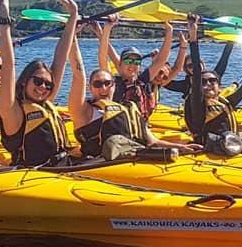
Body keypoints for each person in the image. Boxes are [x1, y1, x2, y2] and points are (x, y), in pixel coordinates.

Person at [67, 33, 201, 158]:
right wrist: (95, 32)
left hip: (130, 153)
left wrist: (182, 148)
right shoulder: (84, 111)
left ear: (113, 85)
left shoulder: (130, 110)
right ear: (90, 87)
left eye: (107, 83)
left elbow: (153, 141)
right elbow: (81, 73)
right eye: (98, 84)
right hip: (96, 162)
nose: (103, 88)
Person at [0, 0, 77, 167]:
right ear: (25, 81)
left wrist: (72, 16)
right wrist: (4, 18)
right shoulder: (13, 111)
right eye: (38, 81)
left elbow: (61, 57)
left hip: (63, 166)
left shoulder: (46, 101)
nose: (43, 87)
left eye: (48, 84)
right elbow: (8, 64)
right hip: (35, 173)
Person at [184, 16, 242, 148]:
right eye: (203, 82)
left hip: (231, 146)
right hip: (209, 148)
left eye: (212, 81)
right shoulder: (198, 104)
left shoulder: (227, 102)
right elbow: (197, 72)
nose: (208, 84)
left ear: (219, 85)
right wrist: (193, 37)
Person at [97, 16, 173, 119]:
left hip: (140, 125)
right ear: (120, 64)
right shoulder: (113, 83)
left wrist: (169, 31)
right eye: (128, 61)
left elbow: (161, 59)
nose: (132, 65)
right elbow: (103, 58)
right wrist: (107, 29)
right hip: (120, 126)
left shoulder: (143, 80)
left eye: (136, 62)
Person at [162, 35, 234, 98]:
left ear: (202, 64)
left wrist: (231, 41)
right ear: (186, 69)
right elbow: (163, 82)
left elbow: (224, 58)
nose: (194, 67)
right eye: (190, 66)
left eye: (197, 63)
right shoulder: (185, 85)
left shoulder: (214, 76)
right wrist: (160, 61)